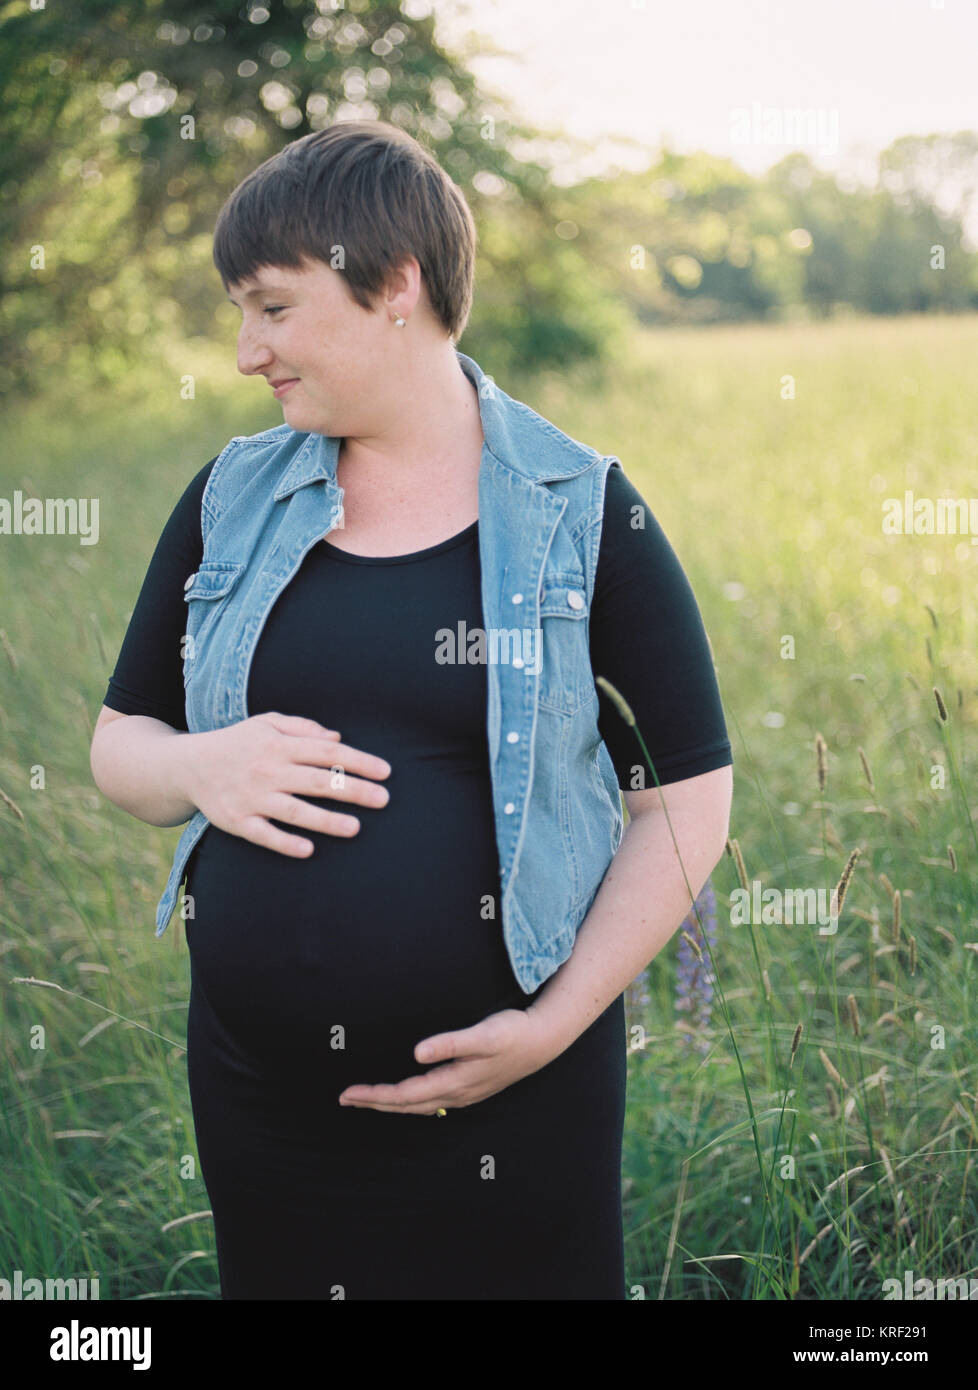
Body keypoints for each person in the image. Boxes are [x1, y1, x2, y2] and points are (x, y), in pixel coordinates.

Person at [90, 119, 734, 1300]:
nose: (246, 352)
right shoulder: (231, 495)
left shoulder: (584, 511)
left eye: (273, 309)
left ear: (397, 284)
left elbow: (686, 801)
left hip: (520, 1101)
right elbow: (119, 743)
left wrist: (553, 1026)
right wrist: (202, 768)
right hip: (262, 1104)